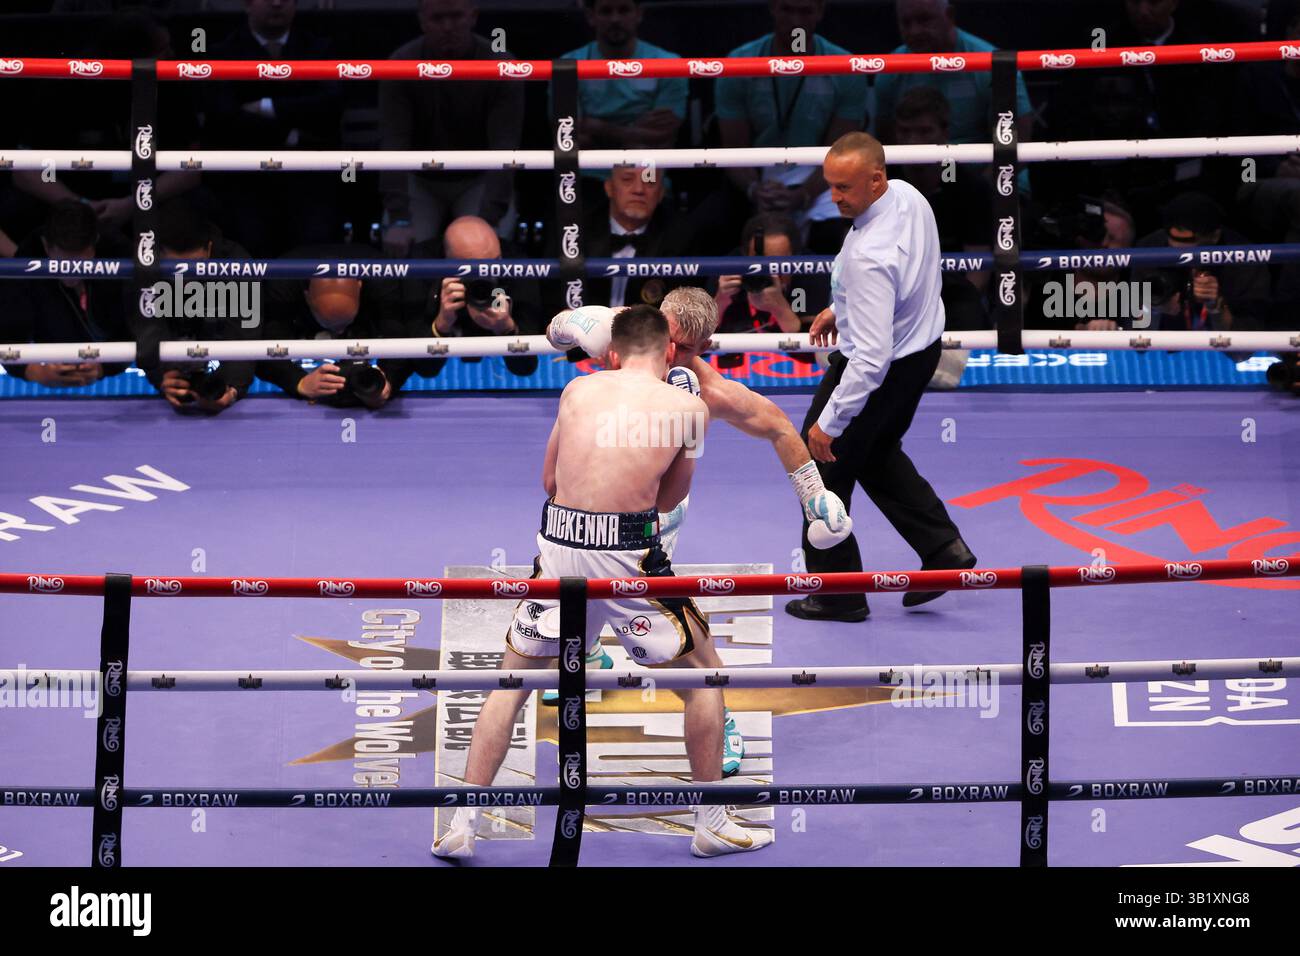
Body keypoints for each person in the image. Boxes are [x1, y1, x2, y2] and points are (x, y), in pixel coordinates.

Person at [432, 305, 773, 860]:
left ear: (612, 354)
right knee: (705, 679)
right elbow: (668, 502)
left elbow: (548, 480)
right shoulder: (688, 407)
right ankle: (710, 822)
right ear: (668, 352)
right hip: (625, 555)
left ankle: (461, 822)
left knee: (510, 684)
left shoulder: (576, 392)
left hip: (558, 546)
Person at [790, 132, 975, 620]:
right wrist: (842, 306)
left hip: (883, 364)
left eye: (845, 188)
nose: (836, 198)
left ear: (876, 179)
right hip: (919, 351)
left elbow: (869, 360)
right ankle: (944, 550)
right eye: (830, 186)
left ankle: (838, 594)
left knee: (821, 466)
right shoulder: (909, 196)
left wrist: (830, 421)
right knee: (873, 454)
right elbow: (906, 279)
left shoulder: (869, 255)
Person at [547, 287, 853, 565]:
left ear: (704, 346)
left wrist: (814, 496)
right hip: (583, 490)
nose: (670, 353)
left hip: (643, 515)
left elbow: (779, 428)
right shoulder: (621, 327)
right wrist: (565, 330)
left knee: (671, 508)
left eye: (685, 348)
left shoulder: (710, 392)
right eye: (668, 340)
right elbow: (553, 330)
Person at [380, 0, 525, 254]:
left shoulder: (501, 64)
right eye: (438, 18)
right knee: (404, 255)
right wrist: (399, 216)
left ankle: (489, 294)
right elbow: (394, 143)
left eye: (456, 16)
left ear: (473, 16)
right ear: (423, 21)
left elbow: (505, 148)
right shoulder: (401, 63)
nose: (448, 27)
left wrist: (489, 217)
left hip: (479, 179)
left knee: (483, 250)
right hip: (419, 179)